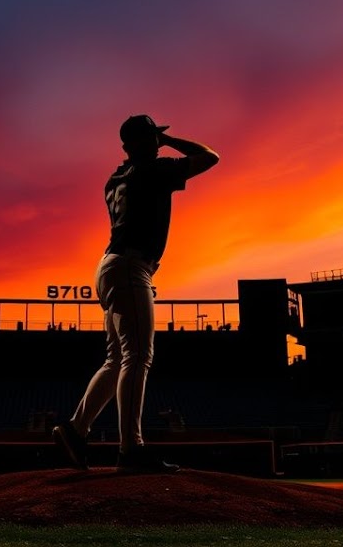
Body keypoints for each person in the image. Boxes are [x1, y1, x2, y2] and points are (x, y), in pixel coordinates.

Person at [53, 114, 218, 473]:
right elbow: (210, 157)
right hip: (130, 266)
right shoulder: (153, 170)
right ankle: (131, 450)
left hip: (110, 266)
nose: (157, 142)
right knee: (137, 356)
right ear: (142, 142)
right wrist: (170, 142)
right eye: (152, 137)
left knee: (117, 359)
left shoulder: (114, 178)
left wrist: (151, 143)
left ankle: (75, 429)